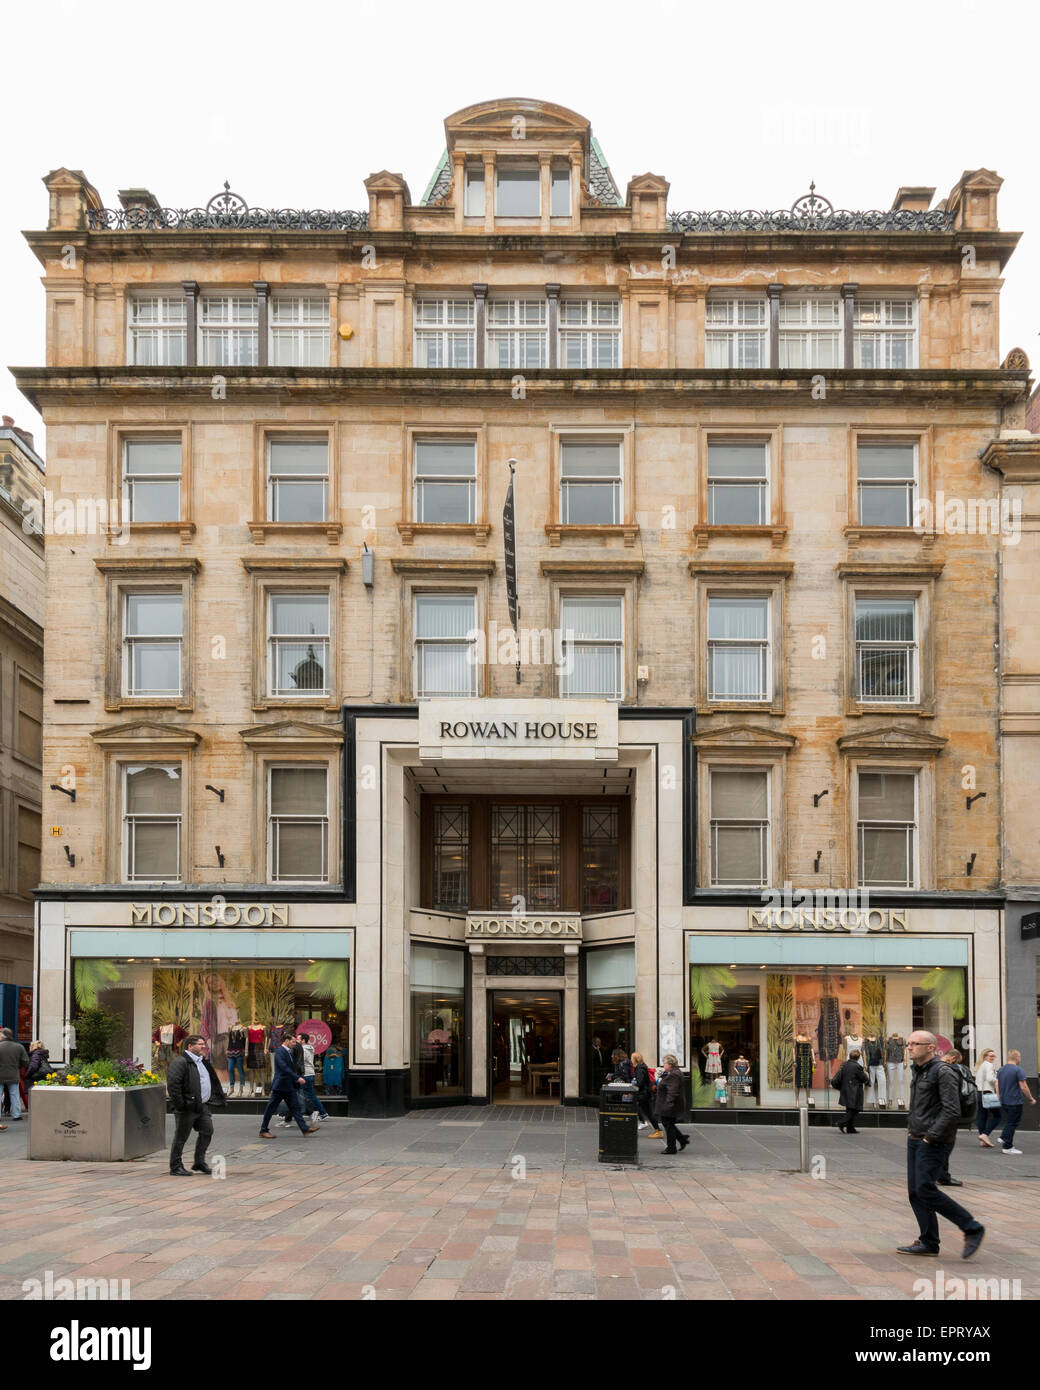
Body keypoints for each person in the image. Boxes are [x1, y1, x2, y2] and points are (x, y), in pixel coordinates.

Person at [898, 1030, 984, 1259]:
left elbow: (952, 1110)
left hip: (934, 1141)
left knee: (925, 1189)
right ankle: (929, 1242)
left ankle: (972, 1227)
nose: (909, 1047)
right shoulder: (918, 1070)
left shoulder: (943, 1071)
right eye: (909, 1043)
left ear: (931, 1048)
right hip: (916, 1137)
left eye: (915, 1044)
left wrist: (930, 1136)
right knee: (915, 1192)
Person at [166, 1034, 226, 1177]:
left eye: (203, 1044)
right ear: (190, 1046)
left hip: (202, 1106)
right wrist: (182, 1105)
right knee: (181, 1137)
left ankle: (199, 1162)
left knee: (207, 1130)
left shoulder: (201, 1061)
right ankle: (175, 1166)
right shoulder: (181, 1062)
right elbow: (173, 1086)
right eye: (200, 1044)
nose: (203, 1046)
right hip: (187, 1107)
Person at [260, 1030, 319, 1139]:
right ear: (286, 1041)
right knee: (271, 1108)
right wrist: (297, 1078)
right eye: (293, 1041)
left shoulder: (288, 1051)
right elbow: (284, 1068)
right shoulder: (280, 1052)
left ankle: (305, 1129)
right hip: (280, 1086)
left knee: (295, 1108)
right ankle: (263, 1130)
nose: (295, 1043)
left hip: (288, 1086)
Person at [936, 1049, 969, 1186]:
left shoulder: (934, 1067)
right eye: (957, 1061)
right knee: (946, 1144)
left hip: (936, 1113)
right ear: (954, 1058)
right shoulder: (950, 1071)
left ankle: (939, 1175)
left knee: (940, 1145)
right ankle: (942, 1176)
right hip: (945, 1114)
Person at [996, 1049, 1037, 1155]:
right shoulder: (1018, 1070)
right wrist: (1031, 1098)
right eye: (1020, 1057)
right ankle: (1005, 1140)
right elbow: (1023, 1086)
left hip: (1004, 1101)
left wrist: (999, 1097)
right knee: (1013, 1123)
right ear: (1017, 1058)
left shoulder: (1001, 1070)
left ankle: (1006, 1144)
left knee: (1010, 1122)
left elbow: (997, 1084)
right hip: (1014, 1101)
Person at [654, 1053, 689, 1155]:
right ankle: (682, 1139)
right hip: (670, 1104)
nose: (663, 1065)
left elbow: (672, 1091)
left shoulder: (674, 1074)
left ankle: (671, 1148)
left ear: (670, 1064)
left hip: (670, 1105)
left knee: (668, 1125)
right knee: (668, 1124)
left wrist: (668, 1104)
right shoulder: (673, 1072)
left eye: (664, 1063)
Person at [831, 1049, 869, 1133]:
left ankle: (850, 1128)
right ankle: (841, 1122)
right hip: (854, 1091)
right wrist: (866, 1074)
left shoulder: (844, 1064)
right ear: (858, 1058)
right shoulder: (857, 1067)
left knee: (849, 1109)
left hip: (845, 1089)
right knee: (855, 1109)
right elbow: (864, 1078)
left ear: (850, 1056)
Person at [297, 1033, 329, 1123]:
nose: (296, 1040)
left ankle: (323, 1113)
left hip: (306, 1074)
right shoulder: (309, 1048)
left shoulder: (304, 1049)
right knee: (304, 1095)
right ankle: (296, 1113)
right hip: (308, 1074)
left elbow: (301, 1061)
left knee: (310, 1096)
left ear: (303, 1040)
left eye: (298, 1039)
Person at [0, 1027, 28, 1124]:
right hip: (13, 1074)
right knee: (15, 1095)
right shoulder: (19, 1047)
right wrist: (18, 1066)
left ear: (3, 1036)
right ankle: (16, 1115)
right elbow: (25, 1061)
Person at [974, 1048, 1001, 1148]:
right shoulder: (988, 1065)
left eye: (994, 1056)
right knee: (998, 1116)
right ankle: (985, 1134)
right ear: (985, 1056)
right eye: (991, 1056)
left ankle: (983, 1140)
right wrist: (997, 1079)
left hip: (979, 1093)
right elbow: (990, 1079)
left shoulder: (980, 1066)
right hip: (988, 1093)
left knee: (982, 1116)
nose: (993, 1058)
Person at [631, 1052, 661, 1136]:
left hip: (643, 1094)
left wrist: (633, 1084)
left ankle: (658, 1131)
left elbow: (640, 1083)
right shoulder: (641, 1067)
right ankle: (657, 1130)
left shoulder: (640, 1069)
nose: (631, 1060)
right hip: (644, 1094)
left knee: (649, 1113)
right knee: (648, 1113)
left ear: (635, 1060)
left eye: (632, 1058)